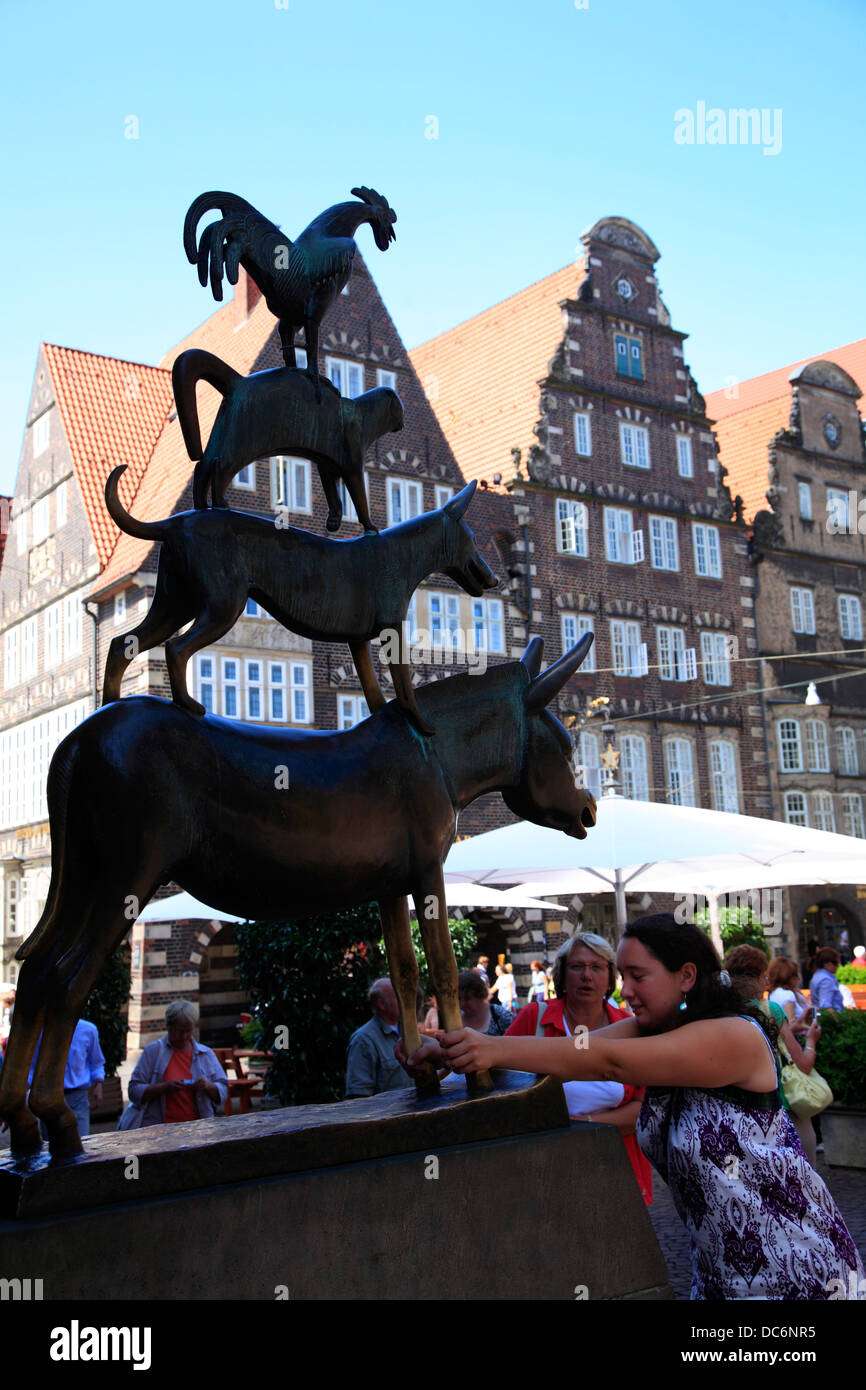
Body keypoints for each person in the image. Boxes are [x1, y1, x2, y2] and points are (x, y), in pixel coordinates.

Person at [432, 914, 865, 1300]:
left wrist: (486, 1048)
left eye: (638, 976)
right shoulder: (656, 1028)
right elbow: (571, 1048)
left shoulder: (733, 1034)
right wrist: (453, 1052)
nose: (627, 990)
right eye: (623, 976)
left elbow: (606, 1062)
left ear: (686, 976)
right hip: (723, 1277)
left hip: (799, 1270)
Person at [506, 931, 652, 1204]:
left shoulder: (632, 1027)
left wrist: (579, 1128)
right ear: (562, 974)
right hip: (544, 1168)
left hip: (617, 1168)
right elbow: (500, 1076)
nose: (587, 976)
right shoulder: (534, 1017)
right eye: (577, 967)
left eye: (597, 967)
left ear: (610, 977)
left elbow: (643, 1109)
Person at [724, 945, 823, 1166]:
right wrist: (811, 1041)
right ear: (761, 976)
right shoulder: (772, 1010)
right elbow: (804, 1065)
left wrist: (793, 1026)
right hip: (779, 1109)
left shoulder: (720, 1012)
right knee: (803, 1175)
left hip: (737, 1117)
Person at [126, 1000, 228, 1126]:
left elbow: (223, 1089)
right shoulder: (153, 1051)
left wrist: (207, 1086)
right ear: (168, 1027)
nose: (184, 1036)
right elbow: (134, 1091)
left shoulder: (205, 1054)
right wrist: (163, 1088)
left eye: (189, 1031)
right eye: (179, 1031)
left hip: (199, 1129)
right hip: (159, 1130)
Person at [29, 1016, 105, 1140]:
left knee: (80, 1144)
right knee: (52, 1147)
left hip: (77, 1099)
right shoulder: (41, 1031)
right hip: (49, 1099)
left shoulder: (88, 1030)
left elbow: (96, 1062)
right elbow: (32, 1068)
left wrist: (98, 1084)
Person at [345, 978, 414, 1098]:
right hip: (389, 1115)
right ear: (382, 1004)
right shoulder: (364, 1040)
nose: (405, 1000)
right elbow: (358, 1097)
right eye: (398, 996)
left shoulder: (407, 1031)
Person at [457, 970, 514, 1036]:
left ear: (479, 995)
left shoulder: (499, 1014)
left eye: (467, 998)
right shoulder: (455, 1018)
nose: (462, 1003)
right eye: (459, 998)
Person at [767, 955, 810, 1032]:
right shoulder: (787, 994)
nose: (798, 978)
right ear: (788, 976)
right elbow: (790, 1026)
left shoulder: (770, 995)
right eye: (795, 975)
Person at [809, 947, 844, 1012]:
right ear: (828, 964)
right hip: (831, 1019)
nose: (838, 965)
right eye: (837, 963)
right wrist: (838, 1021)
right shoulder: (826, 980)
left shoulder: (817, 975)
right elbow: (826, 1006)